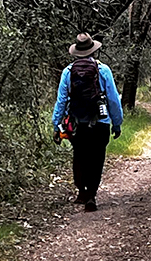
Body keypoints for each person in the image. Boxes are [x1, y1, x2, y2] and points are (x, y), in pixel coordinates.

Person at [52, 32, 123, 212]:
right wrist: (117, 123)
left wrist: (56, 125)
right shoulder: (103, 70)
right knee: (97, 157)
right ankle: (91, 194)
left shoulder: (68, 72)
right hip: (100, 121)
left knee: (79, 155)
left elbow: (61, 101)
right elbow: (113, 100)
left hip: (76, 123)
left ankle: (81, 191)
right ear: (93, 50)